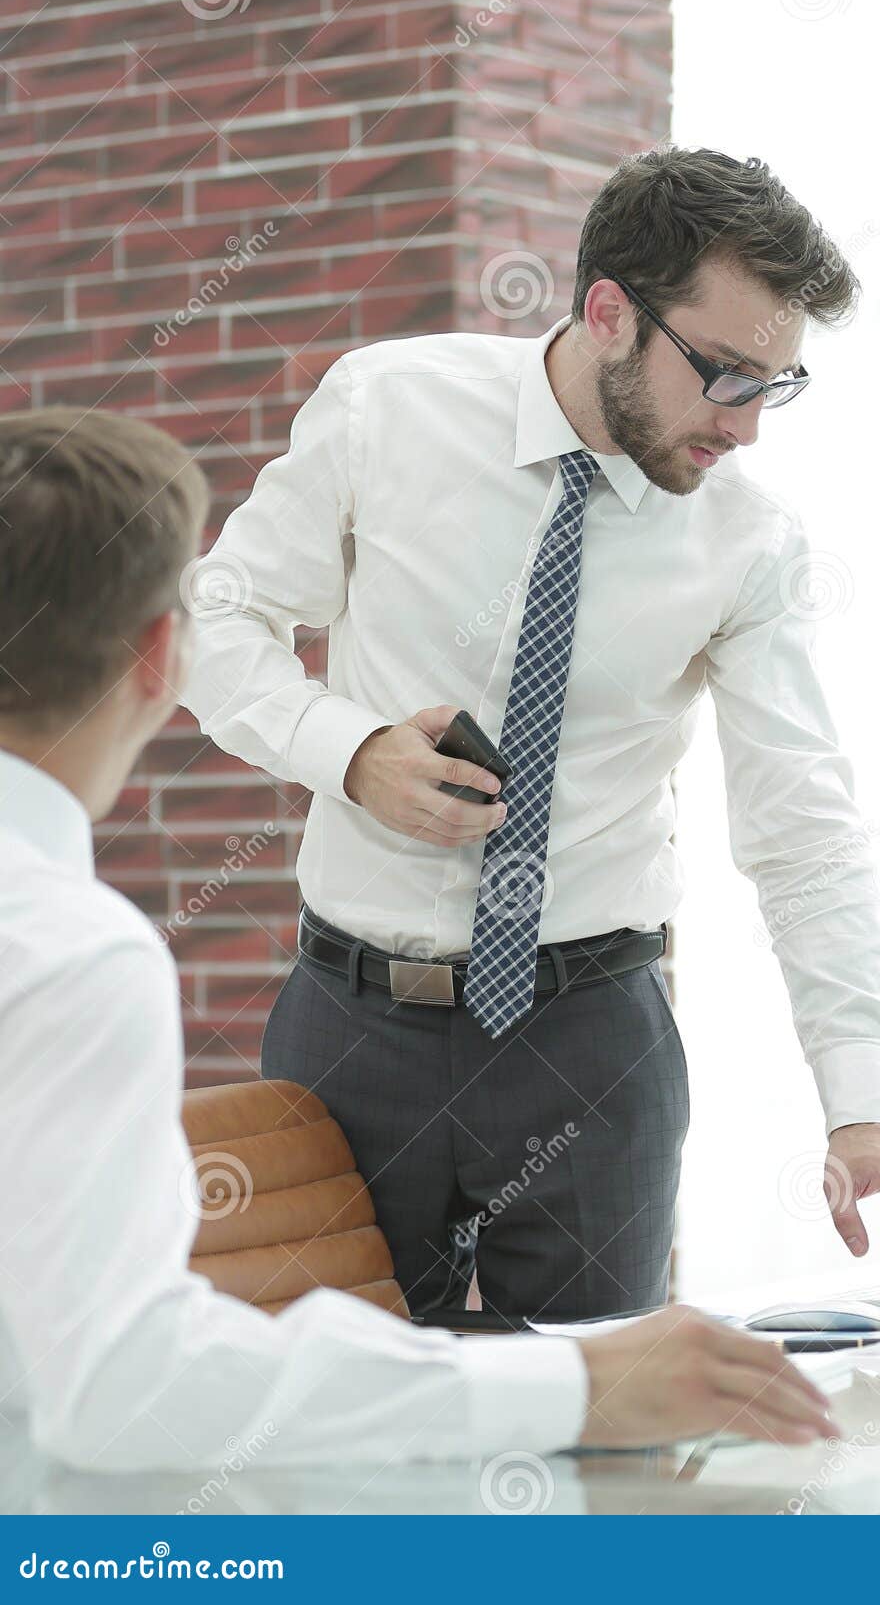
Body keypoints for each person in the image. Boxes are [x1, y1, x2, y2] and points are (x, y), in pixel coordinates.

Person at [0, 408, 838, 1472]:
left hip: (591, 1023)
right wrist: (575, 1384)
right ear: (165, 655)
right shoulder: (67, 958)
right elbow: (125, 1385)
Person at [182, 144, 880, 1326]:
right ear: (610, 312)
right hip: (353, 1029)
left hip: (592, 1048)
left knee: (593, 1458)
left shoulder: (748, 542)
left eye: (776, 385)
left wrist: (861, 1098)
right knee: (320, 1451)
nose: (748, 428)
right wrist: (351, 753)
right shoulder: (387, 407)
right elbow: (221, 619)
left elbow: (804, 827)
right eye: (727, 375)